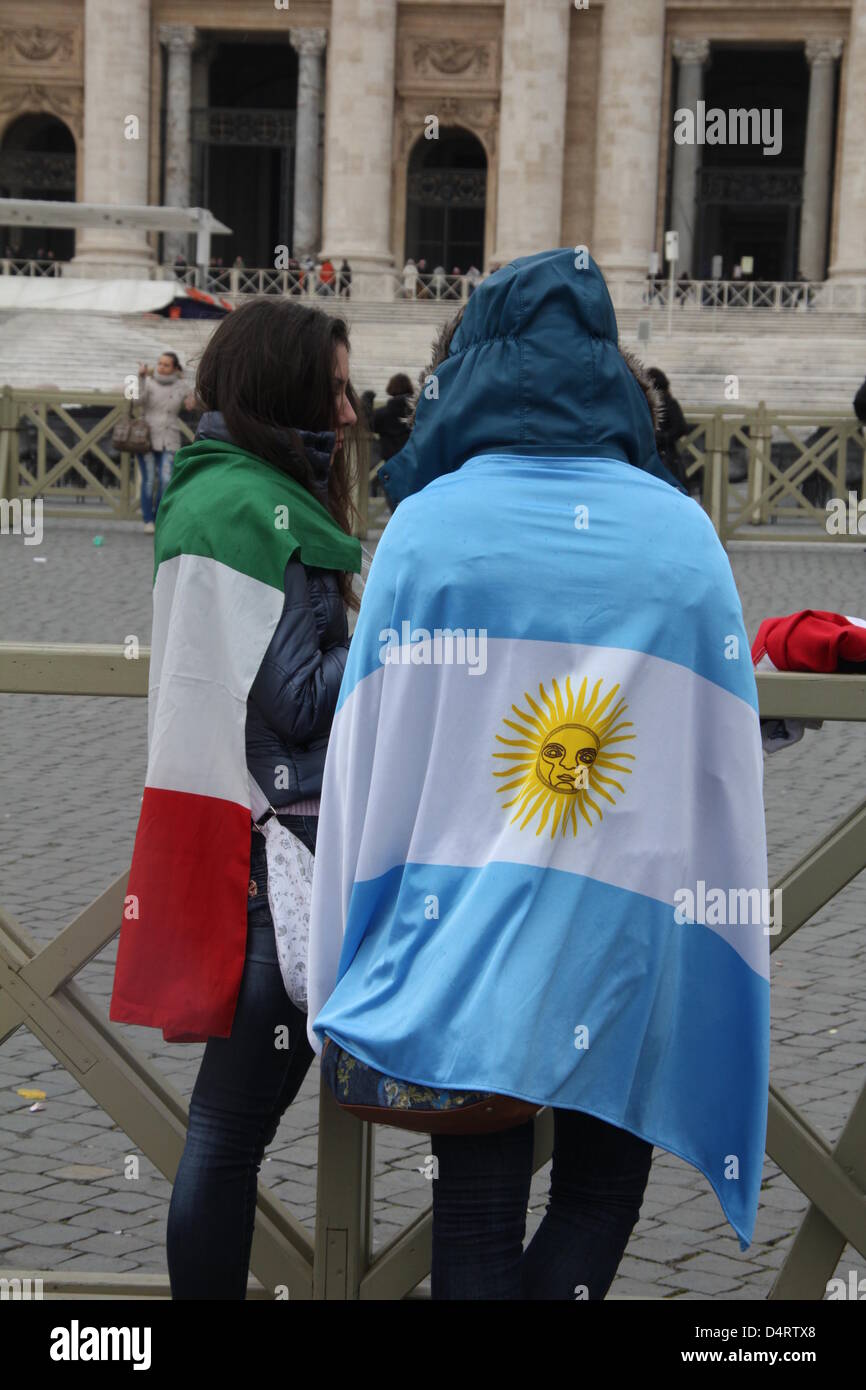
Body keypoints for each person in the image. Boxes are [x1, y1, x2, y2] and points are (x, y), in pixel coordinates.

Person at [307, 247, 770, 1300]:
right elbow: (718, 758)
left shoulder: (427, 530)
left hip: (461, 926)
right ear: (604, 370)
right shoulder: (682, 532)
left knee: (473, 1206)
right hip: (633, 918)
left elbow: (367, 756)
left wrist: (345, 956)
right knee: (600, 1197)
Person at [110, 298, 362, 1299]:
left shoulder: (215, 493)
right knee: (224, 1138)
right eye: (334, 388)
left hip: (248, 851)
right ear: (287, 389)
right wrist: (397, 629)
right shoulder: (267, 511)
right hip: (280, 862)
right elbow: (299, 698)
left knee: (223, 1136)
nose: (347, 413)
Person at [135, 352, 196, 532]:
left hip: (170, 438)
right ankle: (148, 520)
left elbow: (192, 404)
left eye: (166, 364)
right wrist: (140, 378)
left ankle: (159, 517)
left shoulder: (181, 386)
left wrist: (185, 382)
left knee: (166, 479)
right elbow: (135, 399)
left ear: (175, 368)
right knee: (148, 480)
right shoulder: (148, 381)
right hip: (145, 438)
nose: (161, 367)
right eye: (159, 363)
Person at [645, 366, 691, 493]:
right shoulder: (669, 402)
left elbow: (681, 428)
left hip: (664, 455)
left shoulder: (667, 403)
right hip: (666, 454)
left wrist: (660, 437)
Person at [372, 373, 413, 464]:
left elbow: (369, 426)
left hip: (390, 463)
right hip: (413, 461)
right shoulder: (418, 412)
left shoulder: (380, 414)